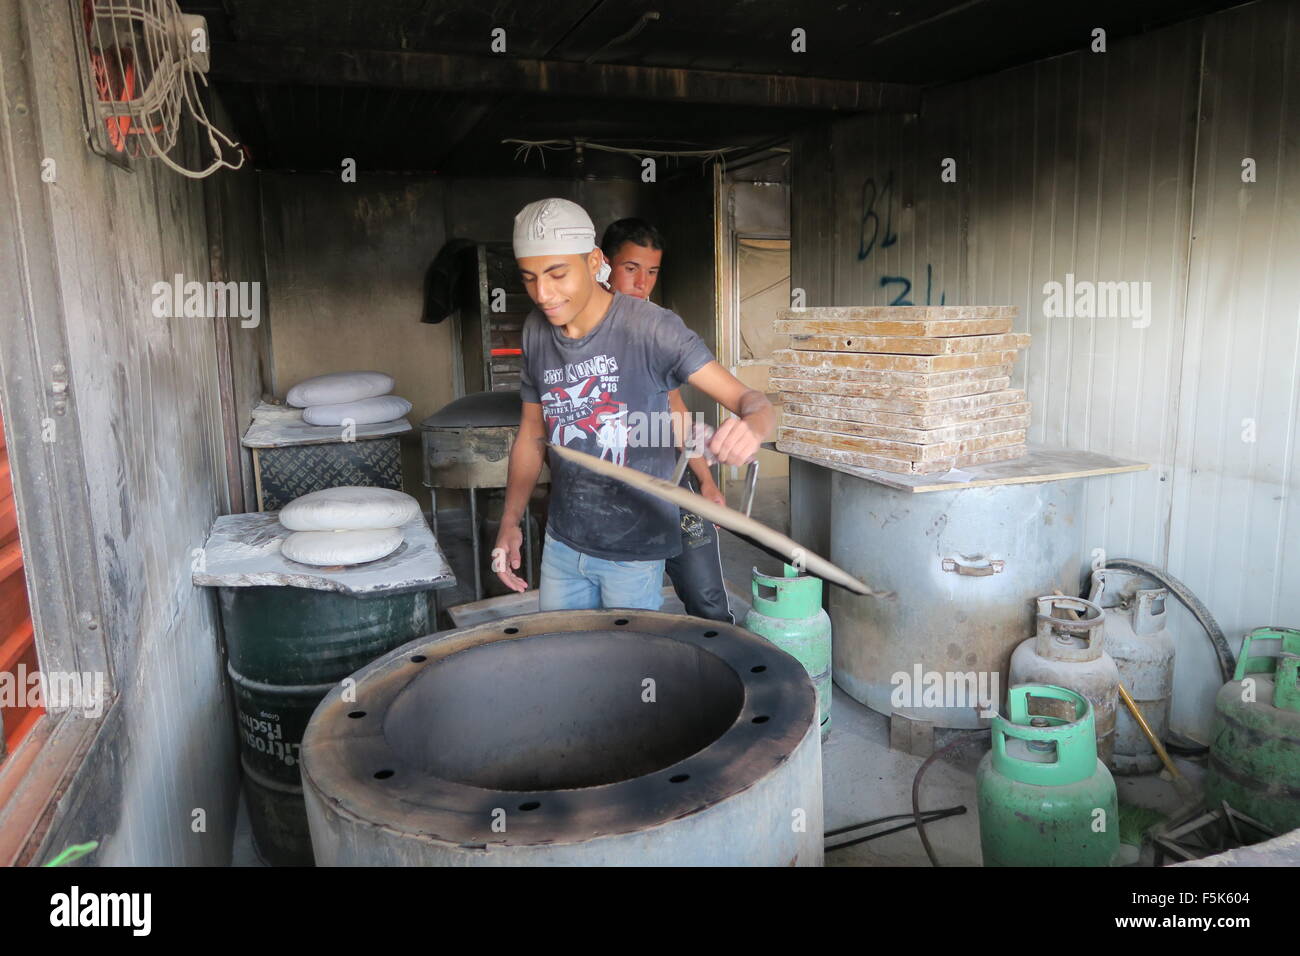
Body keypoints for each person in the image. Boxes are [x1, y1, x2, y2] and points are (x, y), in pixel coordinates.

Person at [493, 198, 773, 612]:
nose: (543, 294)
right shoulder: (536, 331)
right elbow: (533, 434)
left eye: (557, 274)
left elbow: (752, 401)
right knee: (565, 662)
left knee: (627, 667)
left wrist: (751, 426)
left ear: (593, 262)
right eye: (530, 278)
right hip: (563, 542)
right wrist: (509, 521)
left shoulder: (652, 329)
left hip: (633, 548)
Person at [601, 217, 734, 622]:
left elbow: (675, 410)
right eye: (631, 269)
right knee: (627, 614)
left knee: (707, 596)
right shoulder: (579, 334)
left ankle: (722, 673)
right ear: (602, 265)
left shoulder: (657, 329)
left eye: (652, 271)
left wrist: (707, 483)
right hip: (616, 492)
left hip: (675, 480)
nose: (643, 282)